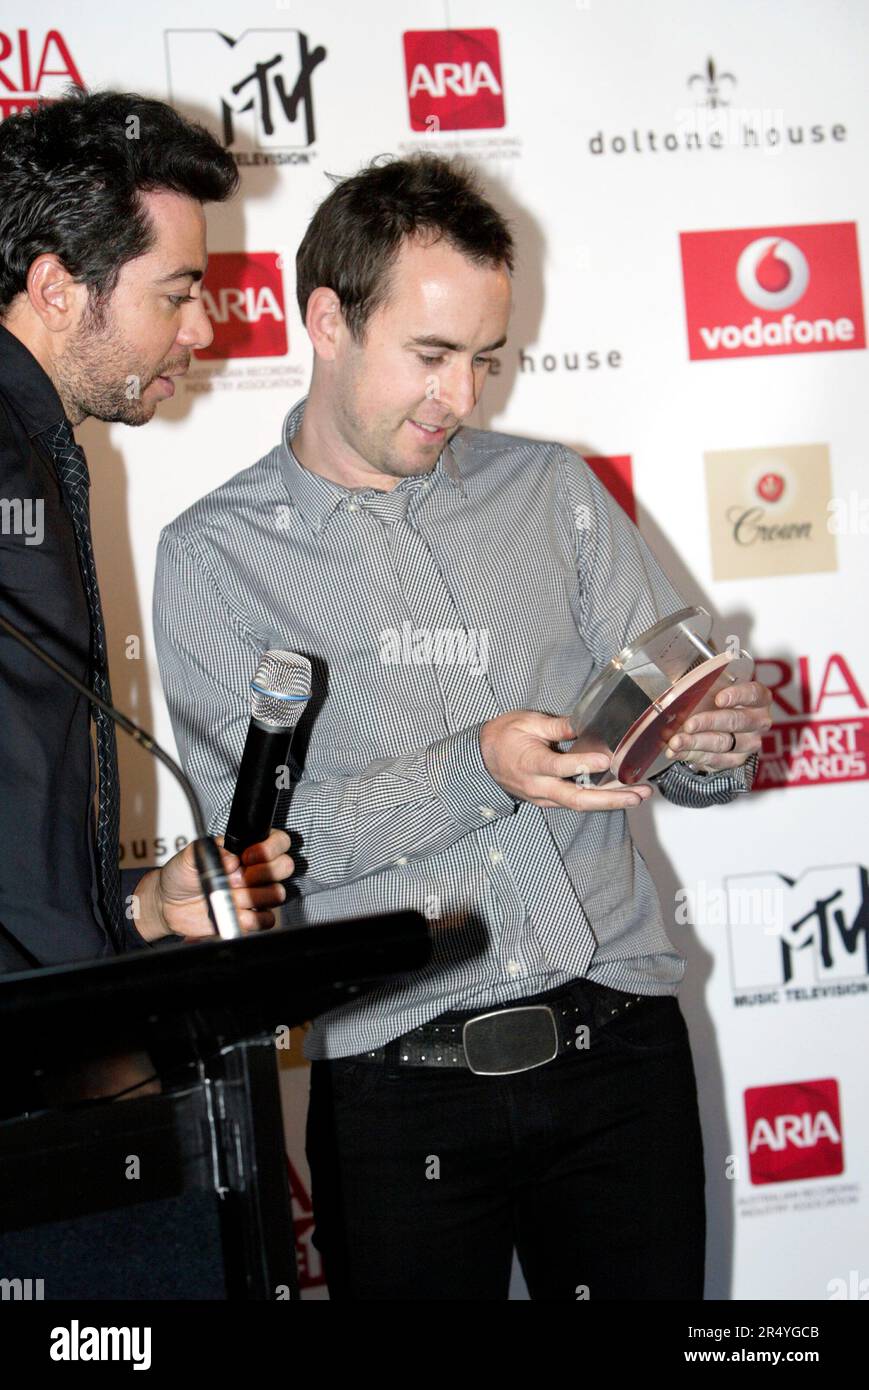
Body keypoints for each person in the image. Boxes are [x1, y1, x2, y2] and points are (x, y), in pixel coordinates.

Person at [153, 152, 772, 1300]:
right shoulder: (213, 557)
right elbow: (256, 867)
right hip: (398, 1091)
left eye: (484, 360)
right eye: (429, 355)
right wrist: (477, 769)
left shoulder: (555, 495)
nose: (461, 397)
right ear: (326, 319)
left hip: (618, 1054)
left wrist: (711, 745)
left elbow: (670, 750)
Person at [0, 89, 293, 1099]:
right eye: (175, 294)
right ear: (56, 287)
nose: (201, 328)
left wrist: (138, 907)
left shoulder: (43, 451)